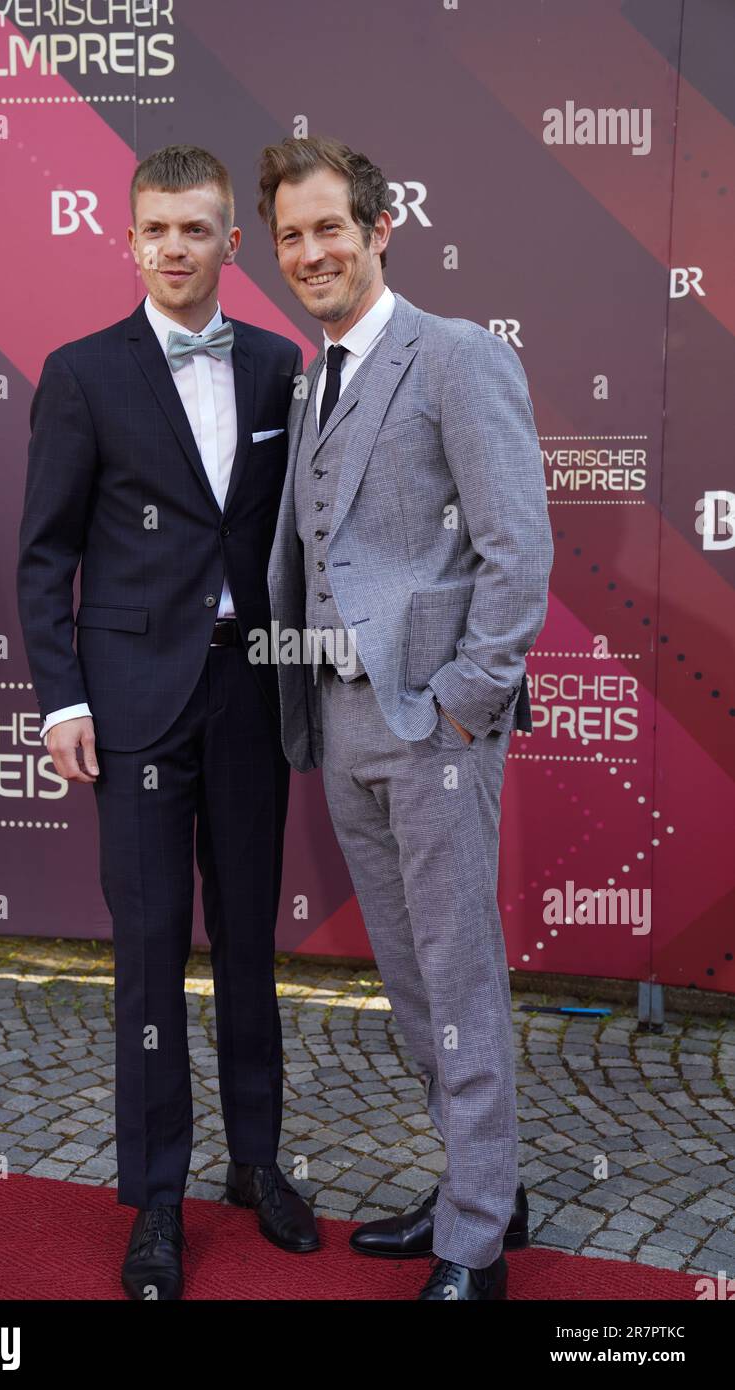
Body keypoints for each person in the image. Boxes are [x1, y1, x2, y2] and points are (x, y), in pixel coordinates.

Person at [17, 144, 317, 1302]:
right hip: (132, 706)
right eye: (158, 231)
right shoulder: (82, 373)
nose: (177, 249)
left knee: (249, 936)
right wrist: (63, 698)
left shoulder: (280, 367)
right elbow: (46, 553)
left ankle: (255, 1162)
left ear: (231, 244)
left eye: (198, 230)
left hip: (248, 694)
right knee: (148, 958)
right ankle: (154, 1200)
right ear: (130, 240)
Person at [258, 135, 553, 1302]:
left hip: (431, 724)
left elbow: (515, 550)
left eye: (330, 226)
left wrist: (464, 709)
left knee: (458, 968)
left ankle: (474, 1242)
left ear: (379, 228)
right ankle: (488, 1185)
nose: (311, 250)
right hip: (338, 721)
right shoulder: (310, 373)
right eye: (289, 234)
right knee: (410, 976)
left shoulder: (454, 356)